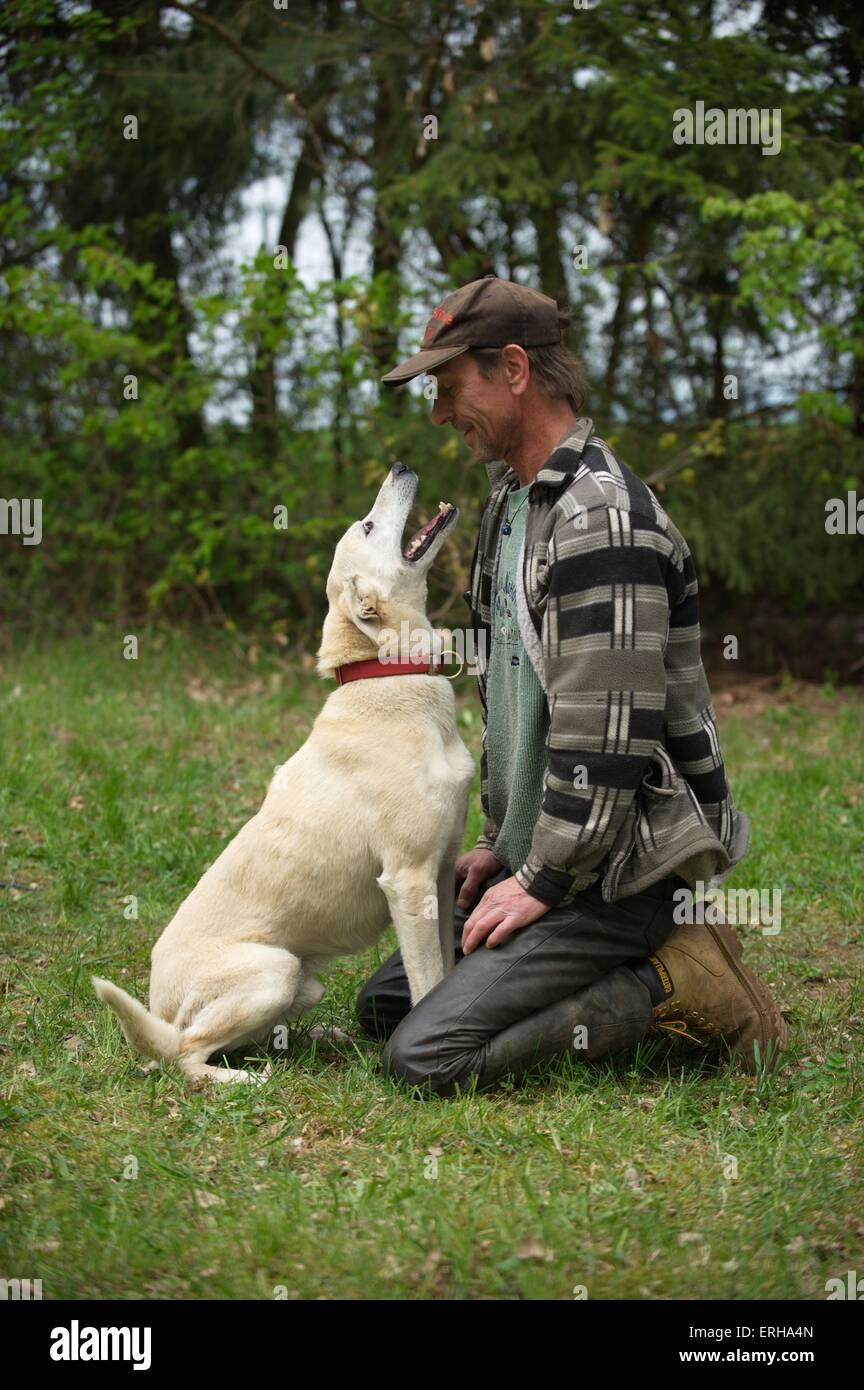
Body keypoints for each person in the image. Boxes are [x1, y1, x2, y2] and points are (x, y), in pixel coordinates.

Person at [356, 274, 786, 1097]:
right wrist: (497, 844)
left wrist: (543, 881)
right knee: (388, 1005)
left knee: (425, 1056)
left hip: (623, 871)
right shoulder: (514, 500)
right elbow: (513, 699)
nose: (441, 414)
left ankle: (677, 981)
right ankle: (609, 946)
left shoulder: (600, 520)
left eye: (451, 389)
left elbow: (606, 735)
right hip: (552, 849)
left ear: (514, 368)